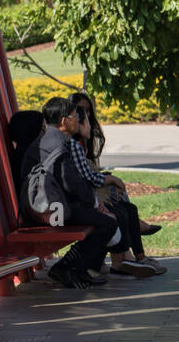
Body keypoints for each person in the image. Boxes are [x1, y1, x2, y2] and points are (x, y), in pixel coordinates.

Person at [70, 91, 166, 278]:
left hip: (89, 195)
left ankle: (137, 257)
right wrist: (107, 182)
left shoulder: (82, 142)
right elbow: (84, 179)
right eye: (81, 111)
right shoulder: (72, 144)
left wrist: (106, 179)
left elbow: (87, 175)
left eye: (88, 111)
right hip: (79, 202)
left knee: (127, 208)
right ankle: (121, 260)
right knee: (119, 213)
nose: (86, 116)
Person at [27, 97, 118, 290]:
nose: (79, 119)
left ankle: (76, 269)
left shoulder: (50, 139)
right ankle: (66, 267)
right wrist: (93, 204)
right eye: (75, 116)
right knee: (108, 222)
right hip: (52, 211)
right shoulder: (59, 144)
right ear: (63, 121)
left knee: (103, 218)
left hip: (51, 205)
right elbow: (71, 183)